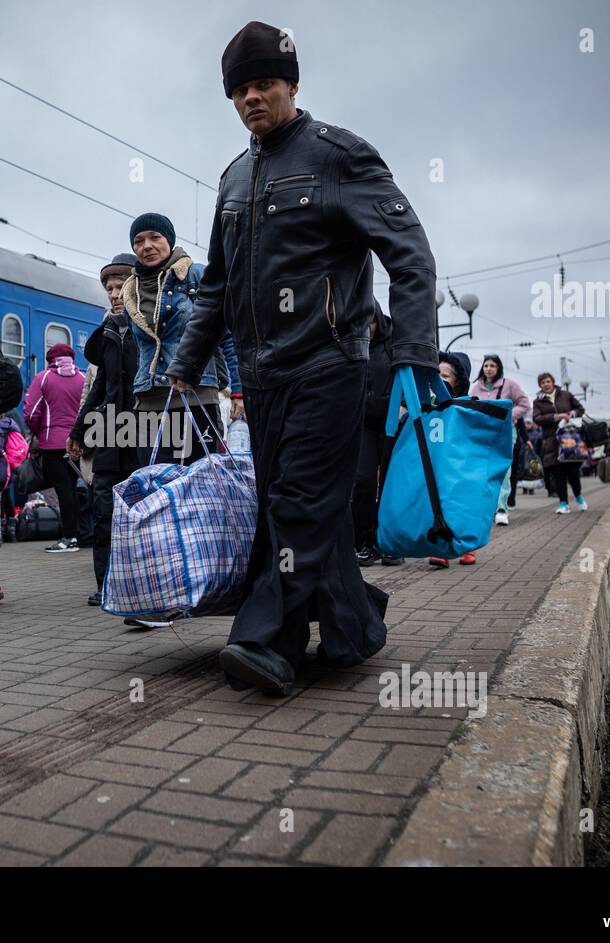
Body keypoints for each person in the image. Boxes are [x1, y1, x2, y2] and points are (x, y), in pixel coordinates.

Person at [165, 21, 438, 695]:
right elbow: (216, 288)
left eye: (264, 85)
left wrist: (415, 354)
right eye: (240, 91)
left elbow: (411, 255)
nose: (252, 99)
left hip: (330, 363)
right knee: (297, 510)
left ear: (291, 85)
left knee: (298, 502)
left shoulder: (337, 156)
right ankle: (353, 627)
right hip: (262, 378)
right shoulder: (232, 181)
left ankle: (265, 641)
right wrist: (180, 366)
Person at [122, 212, 243, 466]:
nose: (147, 246)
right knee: (157, 482)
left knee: (200, 480)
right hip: (149, 401)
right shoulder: (130, 291)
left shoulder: (196, 276)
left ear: (169, 239)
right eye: (139, 241)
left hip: (196, 393)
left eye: (155, 237)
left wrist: (238, 392)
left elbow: (227, 338)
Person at [69, 254, 139, 607]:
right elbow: (97, 387)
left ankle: (139, 582)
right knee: (103, 509)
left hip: (146, 429)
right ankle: (106, 584)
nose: (113, 294)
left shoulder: (148, 328)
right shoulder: (109, 330)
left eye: (120, 286)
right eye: (109, 288)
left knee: (139, 509)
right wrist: (79, 431)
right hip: (111, 431)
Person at [351, 301, 402, 567]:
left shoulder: (395, 339)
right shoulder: (350, 342)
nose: (366, 329)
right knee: (362, 481)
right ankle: (365, 541)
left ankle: (391, 542)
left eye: (369, 323)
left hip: (392, 418)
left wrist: (405, 403)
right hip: (362, 422)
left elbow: (408, 372)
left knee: (392, 482)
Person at [24, 342, 87, 554]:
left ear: (51, 359)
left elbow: (31, 412)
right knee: (75, 488)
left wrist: (38, 431)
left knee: (63, 490)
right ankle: (80, 534)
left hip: (53, 443)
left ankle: (69, 538)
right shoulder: (83, 378)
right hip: (78, 444)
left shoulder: (43, 378)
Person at [427, 352, 477, 569]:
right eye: (437, 374)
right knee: (438, 503)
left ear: (459, 381)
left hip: (459, 465)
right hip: (436, 463)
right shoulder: (427, 401)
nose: (441, 379)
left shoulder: (467, 405)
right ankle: (441, 548)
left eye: (446, 376)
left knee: (461, 504)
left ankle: (467, 546)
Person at [468, 354, 529, 526]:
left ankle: (502, 508)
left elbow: (525, 404)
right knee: (484, 470)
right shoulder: (476, 388)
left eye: (492, 365)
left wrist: (508, 416)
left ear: (498, 368)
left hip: (505, 432)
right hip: (483, 433)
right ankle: (487, 508)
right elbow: (471, 409)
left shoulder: (509, 385)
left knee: (503, 470)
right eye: (486, 365)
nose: (488, 368)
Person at [532, 371, 588, 514]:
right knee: (558, 474)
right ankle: (563, 503)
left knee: (573, 472)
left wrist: (572, 414)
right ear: (540, 385)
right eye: (543, 382)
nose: (546, 384)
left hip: (570, 439)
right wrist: (556, 416)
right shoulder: (538, 402)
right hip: (552, 442)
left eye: (548, 381)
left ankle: (579, 498)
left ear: (553, 382)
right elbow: (537, 418)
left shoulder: (565, 395)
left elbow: (580, 408)